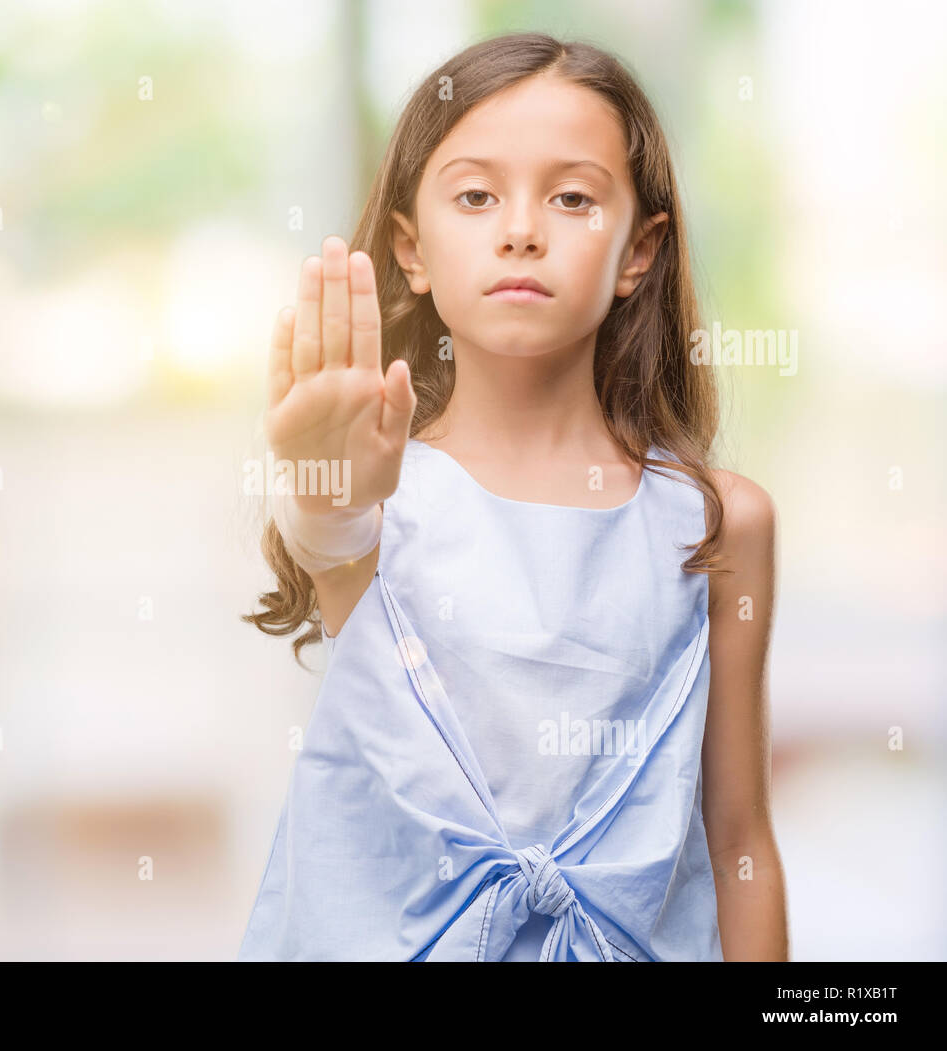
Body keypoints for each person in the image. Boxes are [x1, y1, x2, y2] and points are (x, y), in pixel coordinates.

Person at [239, 32, 787, 961]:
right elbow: (331, 537)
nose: (521, 227)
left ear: (637, 252)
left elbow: (739, 841)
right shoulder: (382, 499)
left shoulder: (718, 523)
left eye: (572, 197)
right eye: (476, 195)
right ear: (411, 248)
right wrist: (324, 478)